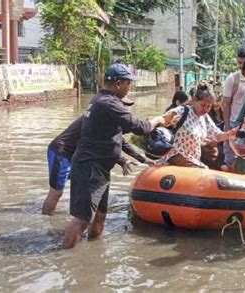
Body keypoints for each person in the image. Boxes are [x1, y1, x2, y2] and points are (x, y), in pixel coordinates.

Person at [62, 63, 168, 249]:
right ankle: (63, 259)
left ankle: (94, 256)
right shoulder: (108, 103)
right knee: (82, 220)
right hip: (90, 168)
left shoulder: (101, 100)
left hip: (101, 169)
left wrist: (143, 159)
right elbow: (141, 128)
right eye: (128, 83)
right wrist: (159, 120)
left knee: (101, 216)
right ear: (118, 84)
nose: (130, 87)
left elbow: (117, 140)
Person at [42, 110, 152, 216]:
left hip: (77, 155)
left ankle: (67, 215)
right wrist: (122, 160)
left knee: (79, 188)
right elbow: (105, 147)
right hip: (62, 152)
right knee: (56, 192)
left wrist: (143, 160)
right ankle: (46, 222)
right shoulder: (100, 119)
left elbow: (120, 141)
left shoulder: (108, 117)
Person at [163, 84, 237, 168]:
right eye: (203, 105)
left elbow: (217, 135)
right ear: (194, 100)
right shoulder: (183, 111)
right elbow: (163, 119)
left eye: (209, 107)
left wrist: (230, 134)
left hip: (193, 161)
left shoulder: (204, 118)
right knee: (204, 169)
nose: (205, 109)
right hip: (174, 157)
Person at [221, 47, 245, 171]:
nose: (241, 66)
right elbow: (225, 103)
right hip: (234, 123)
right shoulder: (232, 79)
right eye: (239, 62)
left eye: (244, 62)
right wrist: (227, 126)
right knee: (231, 158)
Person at [202, 95, 227, 170]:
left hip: (219, 141)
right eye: (215, 101)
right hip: (209, 143)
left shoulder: (224, 115)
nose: (216, 103)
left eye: (218, 101)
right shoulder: (207, 115)